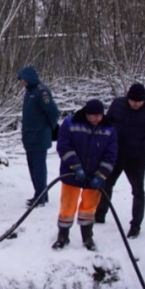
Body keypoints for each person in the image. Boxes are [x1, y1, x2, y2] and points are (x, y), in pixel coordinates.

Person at [95, 83, 145, 238]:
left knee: (138, 191)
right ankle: (100, 214)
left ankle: (135, 225)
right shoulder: (118, 104)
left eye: (139, 101)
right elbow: (108, 122)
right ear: (128, 98)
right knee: (106, 184)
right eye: (133, 101)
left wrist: (144, 145)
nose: (136, 104)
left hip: (137, 157)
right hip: (116, 154)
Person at [52, 99, 117, 251]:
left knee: (89, 208)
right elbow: (63, 146)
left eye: (99, 115)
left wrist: (101, 175)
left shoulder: (109, 128)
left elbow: (111, 155)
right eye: (93, 116)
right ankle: (63, 235)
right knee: (67, 206)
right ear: (86, 114)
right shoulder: (70, 123)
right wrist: (75, 165)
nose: (97, 119)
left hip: (94, 176)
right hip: (71, 174)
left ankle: (87, 236)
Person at [17, 66, 60, 207]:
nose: (22, 82)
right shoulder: (29, 92)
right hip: (29, 136)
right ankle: (40, 193)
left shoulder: (42, 92)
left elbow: (53, 112)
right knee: (33, 167)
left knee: (39, 168)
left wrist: (50, 129)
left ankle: (40, 196)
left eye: (23, 79)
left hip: (39, 136)